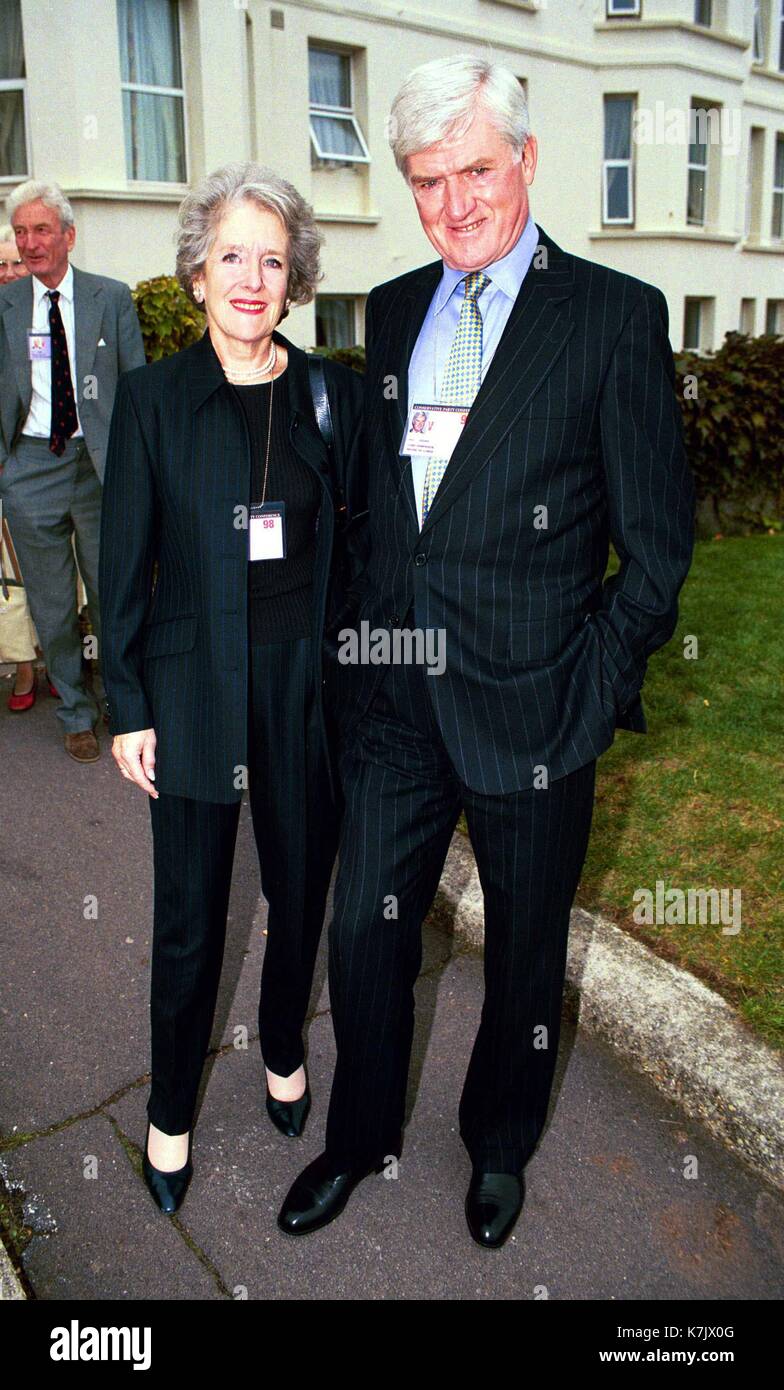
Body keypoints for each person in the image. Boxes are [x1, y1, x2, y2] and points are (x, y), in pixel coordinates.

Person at [279, 55, 695, 1246]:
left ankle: (498, 1144)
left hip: (533, 712)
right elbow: (386, 507)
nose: (455, 204)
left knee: (522, 951)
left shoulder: (614, 318)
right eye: (426, 181)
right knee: (364, 928)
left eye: (474, 170)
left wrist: (588, 692)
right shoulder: (395, 306)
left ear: (523, 159)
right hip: (397, 705)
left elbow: (657, 555)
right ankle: (358, 1138)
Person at [99, 163, 365, 1215]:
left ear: (292, 274)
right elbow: (123, 560)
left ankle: (285, 1045)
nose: (252, 277)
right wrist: (127, 701)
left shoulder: (330, 395)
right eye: (231, 258)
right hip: (193, 685)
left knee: (302, 888)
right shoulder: (156, 398)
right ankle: (170, 1108)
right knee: (189, 916)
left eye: (271, 257)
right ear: (197, 277)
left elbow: (363, 545)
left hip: (305, 691)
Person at [0, 182, 145, 759]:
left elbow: (135, 388)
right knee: (53, 606)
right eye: (20, 233)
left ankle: (119, 702)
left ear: (67, 235)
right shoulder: (6, 306)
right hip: (30, 467)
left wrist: (139, 468)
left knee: (114, 594)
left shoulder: (111, 298)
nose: (30, 243)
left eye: (40, 230)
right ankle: (74, 711)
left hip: (99, 467)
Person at [0, 221, 39, 711]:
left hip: (44, 465)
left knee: (46, 571)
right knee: (8, 574)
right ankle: (24, 665)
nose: (8, 272)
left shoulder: (41, 315)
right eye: (0, 265)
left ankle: (52, 657)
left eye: (15, 263)